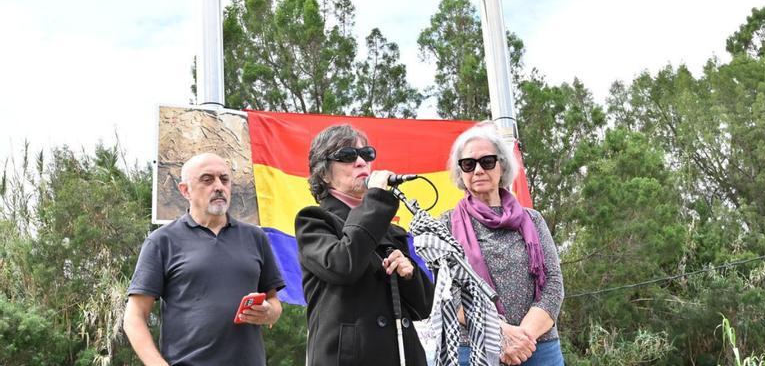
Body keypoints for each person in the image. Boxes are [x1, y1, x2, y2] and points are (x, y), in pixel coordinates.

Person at [123, 153, 285, 366]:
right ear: (185, 190)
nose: (218, 186)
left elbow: (274, 302)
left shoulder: (255, 237)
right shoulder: (162, 241)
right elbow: (134, 317)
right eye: (207, 180)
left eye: (224, 179)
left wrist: (268, 312)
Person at [295, 124, 434, 366]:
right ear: (324, 174)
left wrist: (408, 273)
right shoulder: (314, 221)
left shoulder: (390, 229)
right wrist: (377, 200)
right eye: (348, 156)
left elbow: (424, 308)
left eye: (366, 154)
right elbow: (343, 264)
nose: (361, 162)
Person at [442, 123, 565, 366]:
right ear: (461, 172)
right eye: (468, 164)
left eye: (487, 161)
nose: (478, 170)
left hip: (537, 347)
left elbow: (553, 284)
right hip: (474, 348)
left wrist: (521, 339)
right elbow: (448, 293)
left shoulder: (533, 219)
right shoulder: (445, 225)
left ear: (502, 165)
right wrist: (500, 335)